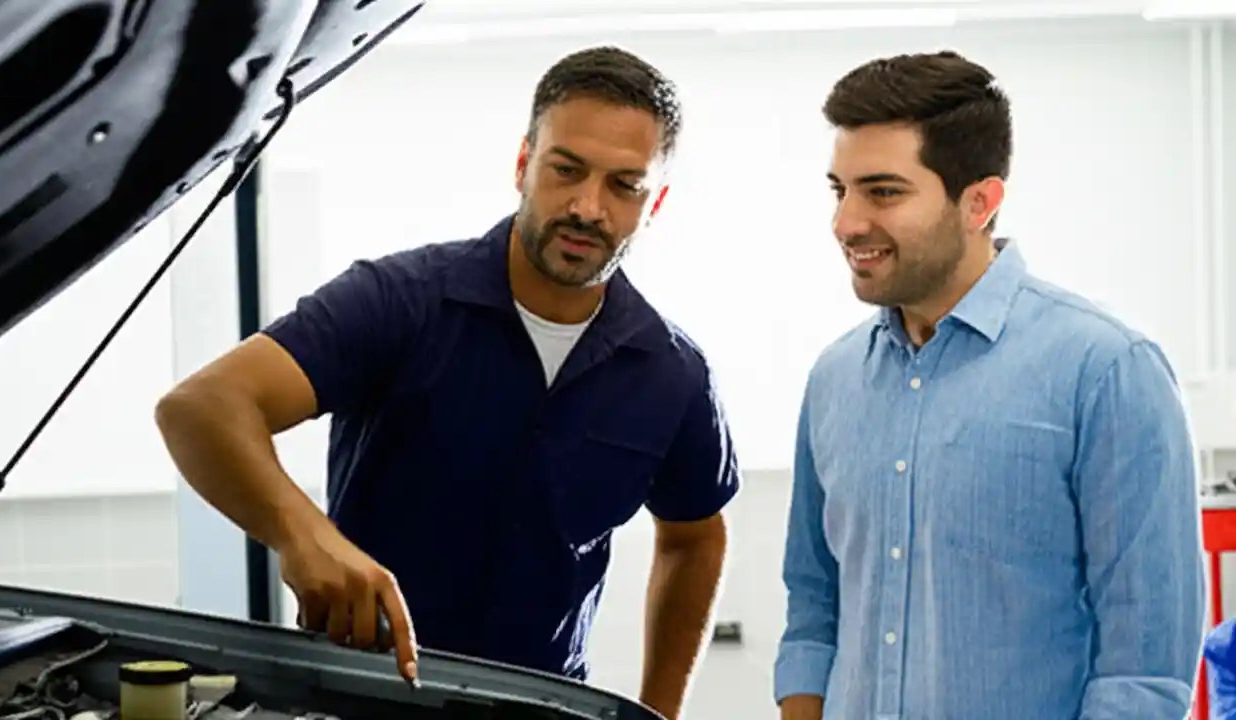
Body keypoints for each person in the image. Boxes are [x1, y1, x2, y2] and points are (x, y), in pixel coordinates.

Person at [154, 45, 739, 718]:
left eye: (623, 186)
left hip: (540, 708)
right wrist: (301, 535)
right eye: (566, 170)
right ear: (524, 164)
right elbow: (200, 407)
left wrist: (657, 713)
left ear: (654, 200)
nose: (587, 207)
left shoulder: (675, 375)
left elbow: (696, 538)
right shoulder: (397, 301)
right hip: (356, 700)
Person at [774, 50, 1206, 720]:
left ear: (980, 201)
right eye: (841, 190)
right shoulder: (834, 379)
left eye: (883, 192)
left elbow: (1143, 673)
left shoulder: (1108, 371)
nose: (847, 223)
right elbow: (813, 607)